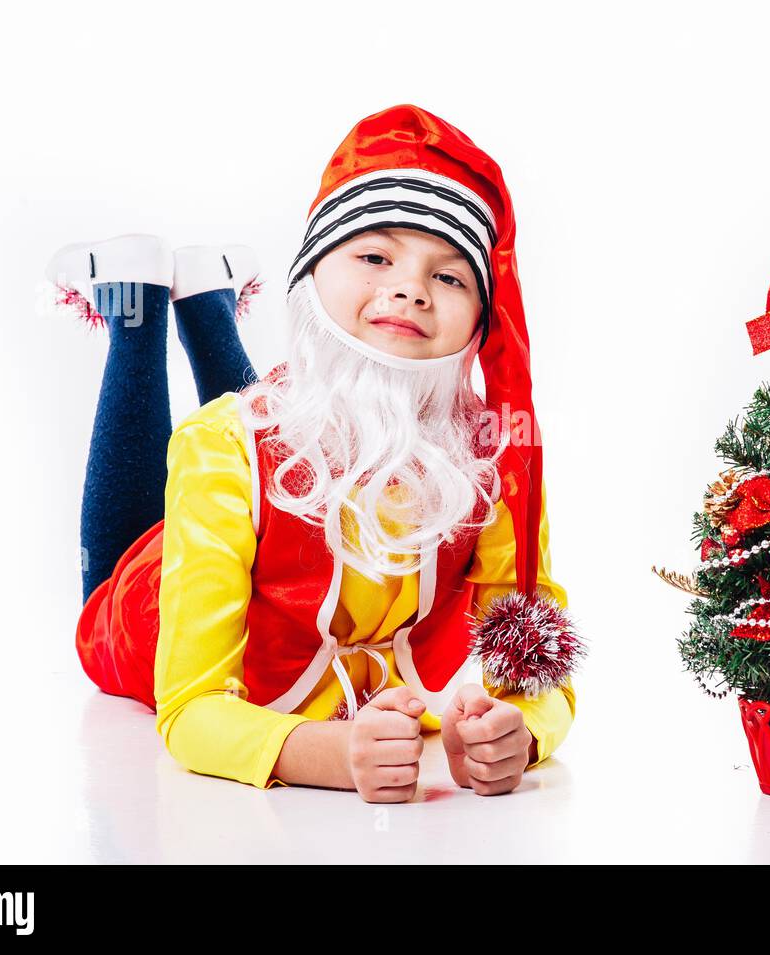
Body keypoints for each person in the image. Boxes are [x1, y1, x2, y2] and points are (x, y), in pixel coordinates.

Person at [53, 104, 580, 802]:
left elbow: (535, 665)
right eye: (373, 256)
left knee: (271, 429)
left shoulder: (491, 458)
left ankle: (209, 299)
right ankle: (136, 298)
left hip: (256, 512)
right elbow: (189, 708)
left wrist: (521, 729)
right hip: (149, 612)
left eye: (450, 277)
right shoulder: (220, 448)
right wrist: (327, 753)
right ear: (313, 272)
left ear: (483, 319)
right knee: (114, 582)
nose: (411, 290)